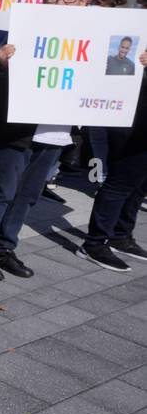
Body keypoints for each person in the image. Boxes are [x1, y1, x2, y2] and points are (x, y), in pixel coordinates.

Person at [0, 0, 90, 281]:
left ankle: (5, 249)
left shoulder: (95, 38)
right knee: (2, 192)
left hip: (56, 131)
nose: (60, 3)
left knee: (28, 196)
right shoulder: (25, 30)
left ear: (85, 1)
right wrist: (1, 61)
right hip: (16, 130)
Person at [81, 40, 147, 271]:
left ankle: (121, 234)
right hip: (133, 124)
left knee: (139, 186)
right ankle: (95, 243)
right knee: (119, 184)